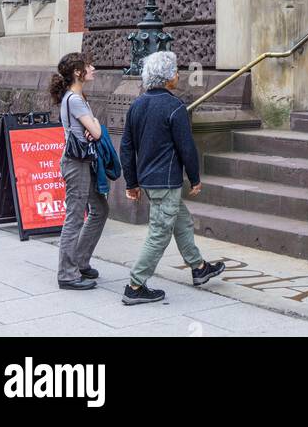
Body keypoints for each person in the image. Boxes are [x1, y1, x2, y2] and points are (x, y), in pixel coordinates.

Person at [119, 51, 225, 305]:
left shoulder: (137, 105)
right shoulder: (175, 107)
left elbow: (126, 147)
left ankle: (199, 267)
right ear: (167, 78)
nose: (179, 75)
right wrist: (195, 177)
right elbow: (186, 147)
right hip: (166, 181)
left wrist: (132, 182)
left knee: (182, 220)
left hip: (149, 180)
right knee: (159, 233)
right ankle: (135, 285)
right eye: (176, 71)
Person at [51, 52, 109, 290]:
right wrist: (95, 125)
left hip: (84, 161)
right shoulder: (74, 99)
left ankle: (80, 261)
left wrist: (93, 125)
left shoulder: (77, 96)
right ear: (78, 72)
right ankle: (66, 274)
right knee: (74, 218)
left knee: (100, 209)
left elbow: (93, 128)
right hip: (76, 164)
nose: (93, 68)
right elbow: (96, 132)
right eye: (88, 65)